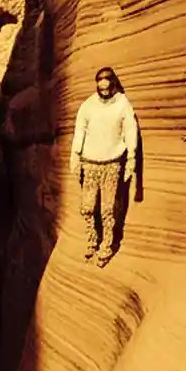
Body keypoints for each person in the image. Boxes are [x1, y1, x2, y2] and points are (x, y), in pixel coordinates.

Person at [70, 66, 139, 266]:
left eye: (107, 84)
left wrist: (132, 157)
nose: (104, 88)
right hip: (89, 164)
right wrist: (75, 155)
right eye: (101, 84)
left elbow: (130, 130)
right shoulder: (88, 105)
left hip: (111, 164)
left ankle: (106, 246)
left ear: (113, 83)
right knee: (87, 208)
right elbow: (80, 130)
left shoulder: (122, 104)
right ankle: (92, 240)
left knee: (107, 209)